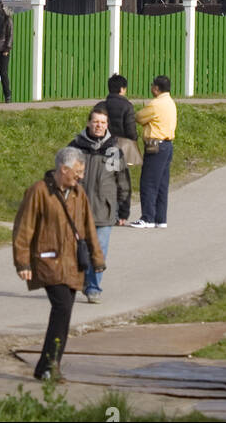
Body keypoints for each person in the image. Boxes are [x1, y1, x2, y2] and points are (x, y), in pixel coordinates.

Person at [13, 147, 105, 381]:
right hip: (48, 261)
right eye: (78, 171)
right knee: (62, 307)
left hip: (73, 264)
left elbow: (88, 227)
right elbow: (24, 229)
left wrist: (97, 258)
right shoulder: (39, 192)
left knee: (64, 313)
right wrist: (22, 262)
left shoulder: (78, 194)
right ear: (63, 169)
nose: (81, 176)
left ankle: (47, 366)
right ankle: (49, 366)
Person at [67, 107, 129, 301]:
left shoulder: (113, 151)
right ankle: (83, 279)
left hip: (104, 210)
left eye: (102, 122)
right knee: (79, 249)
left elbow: (122, 182)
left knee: (99, 250)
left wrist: (123, 210)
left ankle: (94, 287)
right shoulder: (76, 148)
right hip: (78, 210)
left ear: (107, 125)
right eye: (95, 122)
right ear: (88, 123)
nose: (99, 126)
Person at [130, 76, 177, 229]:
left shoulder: (156, 104)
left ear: (156, 88)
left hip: (155, 145)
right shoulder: (170, 102)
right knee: (162, 184)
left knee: (148, 182)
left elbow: (139, 117)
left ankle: (147, 218)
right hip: (167, 145)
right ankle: (160, 218)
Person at [100, 74, 138, 143]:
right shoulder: (127, 106)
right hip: (122, 145)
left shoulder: (101, 105)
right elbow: (131, 132)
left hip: (103, 144)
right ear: (122, 89)